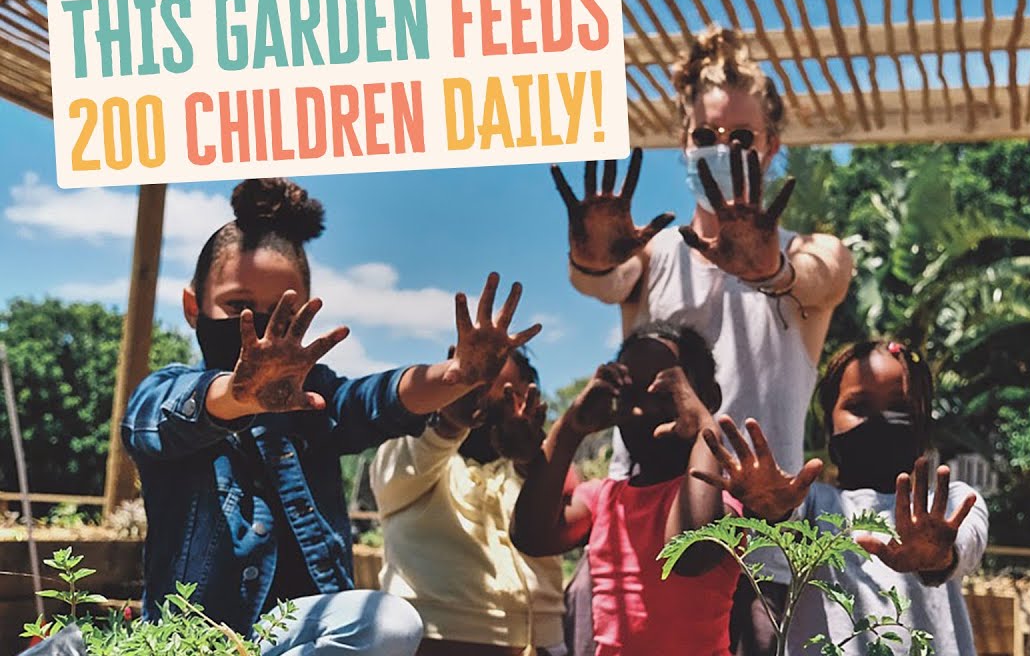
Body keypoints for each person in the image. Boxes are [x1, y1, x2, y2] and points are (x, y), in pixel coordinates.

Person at [123, 177, 540, 654]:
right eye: (239, 306)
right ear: (193, 306)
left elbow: (374, 400)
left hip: (293, 636)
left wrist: (455, 376)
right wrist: (239, 395)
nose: (259, 330)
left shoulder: (314, 401)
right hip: (196, 642)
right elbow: (157, 421)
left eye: (280, 313)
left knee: (389, 622)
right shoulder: (165, 393)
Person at [551, 25, 854, 656]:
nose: (723, 149)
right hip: (638, 549)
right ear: (684, 143)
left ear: (770, 147)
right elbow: (602, 280)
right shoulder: (654, 253)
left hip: (761, 554)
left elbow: (829, 274)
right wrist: (591, 258)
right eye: (706, 137)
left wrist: (771, 270)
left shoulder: (804, 253)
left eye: (741, 137)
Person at [693, 340, 988, 655]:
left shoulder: (953, 504)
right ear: (828, 425)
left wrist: (939, 558)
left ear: (923, 422)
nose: (880, 421)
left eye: (900, 407)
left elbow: (966, 543)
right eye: (859, 407)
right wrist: (771, 512)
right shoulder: (811, 504)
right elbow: (786, 525)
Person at [511, 322, 742, 656]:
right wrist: (570, 429)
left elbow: (689, 554)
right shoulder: (604, 500)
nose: (642, 410)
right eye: (629, 397)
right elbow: (530, 536)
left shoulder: (724, 500)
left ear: (708, 399)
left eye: (664, 395)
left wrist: (706, 431)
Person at [370, 348, 569, 656]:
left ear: (531, 399)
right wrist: (448, 424)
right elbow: (392, 474)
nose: (484, 400)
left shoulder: (547, 468)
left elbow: (559, 519)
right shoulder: (411, 453)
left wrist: (532, 462)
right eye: (472, 386)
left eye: (506, 395)